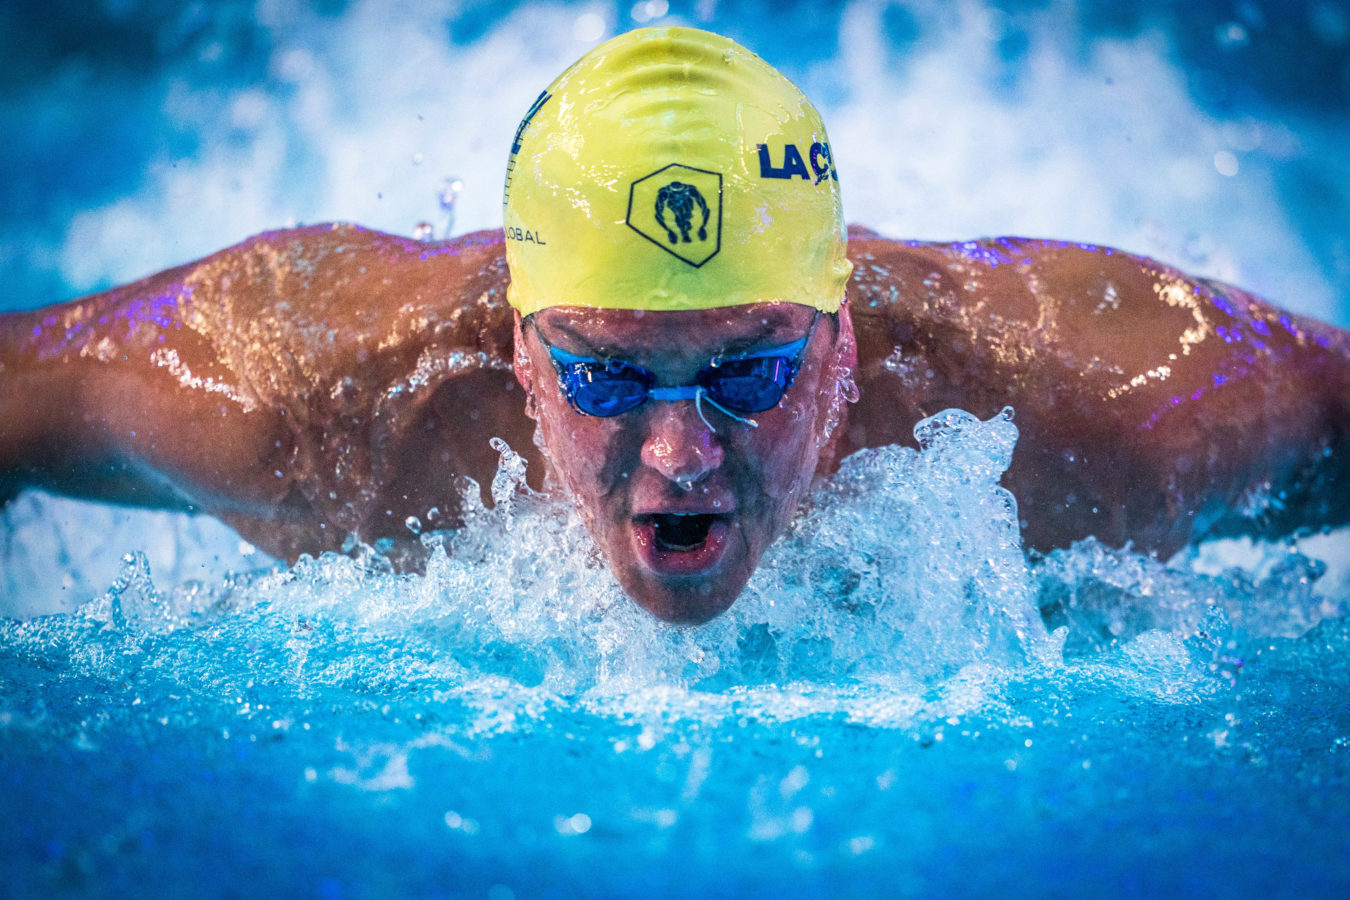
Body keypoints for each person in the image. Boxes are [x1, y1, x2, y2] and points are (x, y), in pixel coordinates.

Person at [1, 27, 1347, 623]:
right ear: (524, 357)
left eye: (750, 368)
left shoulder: (1087, 410)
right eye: (602, 373)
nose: (679, 456)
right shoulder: (295, 401)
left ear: (842, 348)